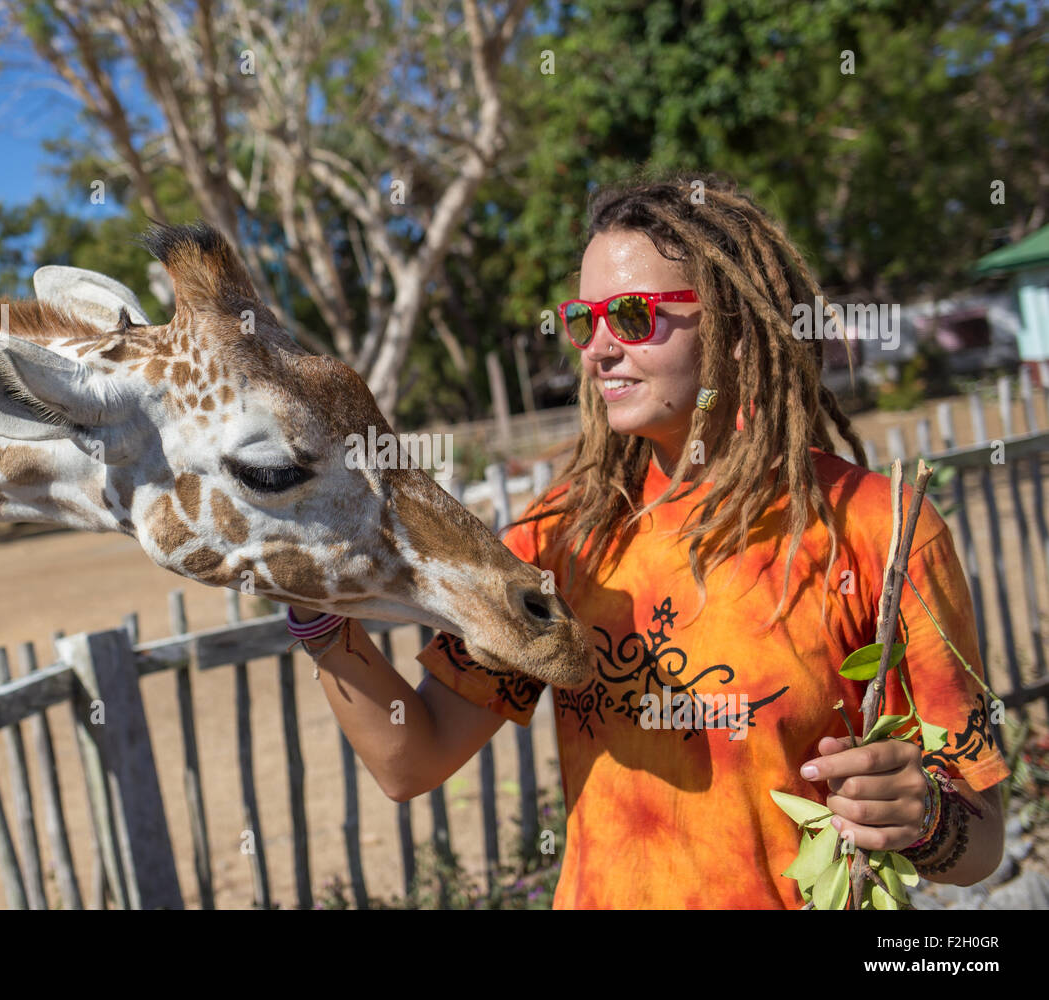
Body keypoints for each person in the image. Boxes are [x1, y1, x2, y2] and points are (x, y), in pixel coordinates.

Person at [288, 173, 1009, 909]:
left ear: (733, 329)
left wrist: (923, 817)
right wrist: (313, 609)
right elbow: (415, 758)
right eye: (584, 318)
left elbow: (982, 842)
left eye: (632, 316)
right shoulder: (560, 539)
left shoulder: (878, 530)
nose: (599, 347)